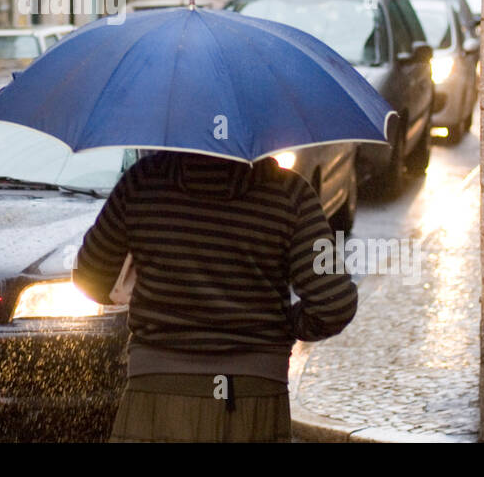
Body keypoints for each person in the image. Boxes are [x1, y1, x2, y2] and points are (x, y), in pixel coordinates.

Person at [73, 150, 357, 442]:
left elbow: (89, 277)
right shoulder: (290, 194)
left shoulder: (143, 182)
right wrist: (280, 325)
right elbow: (334, 303)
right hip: (253, 399)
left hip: (157, 393)